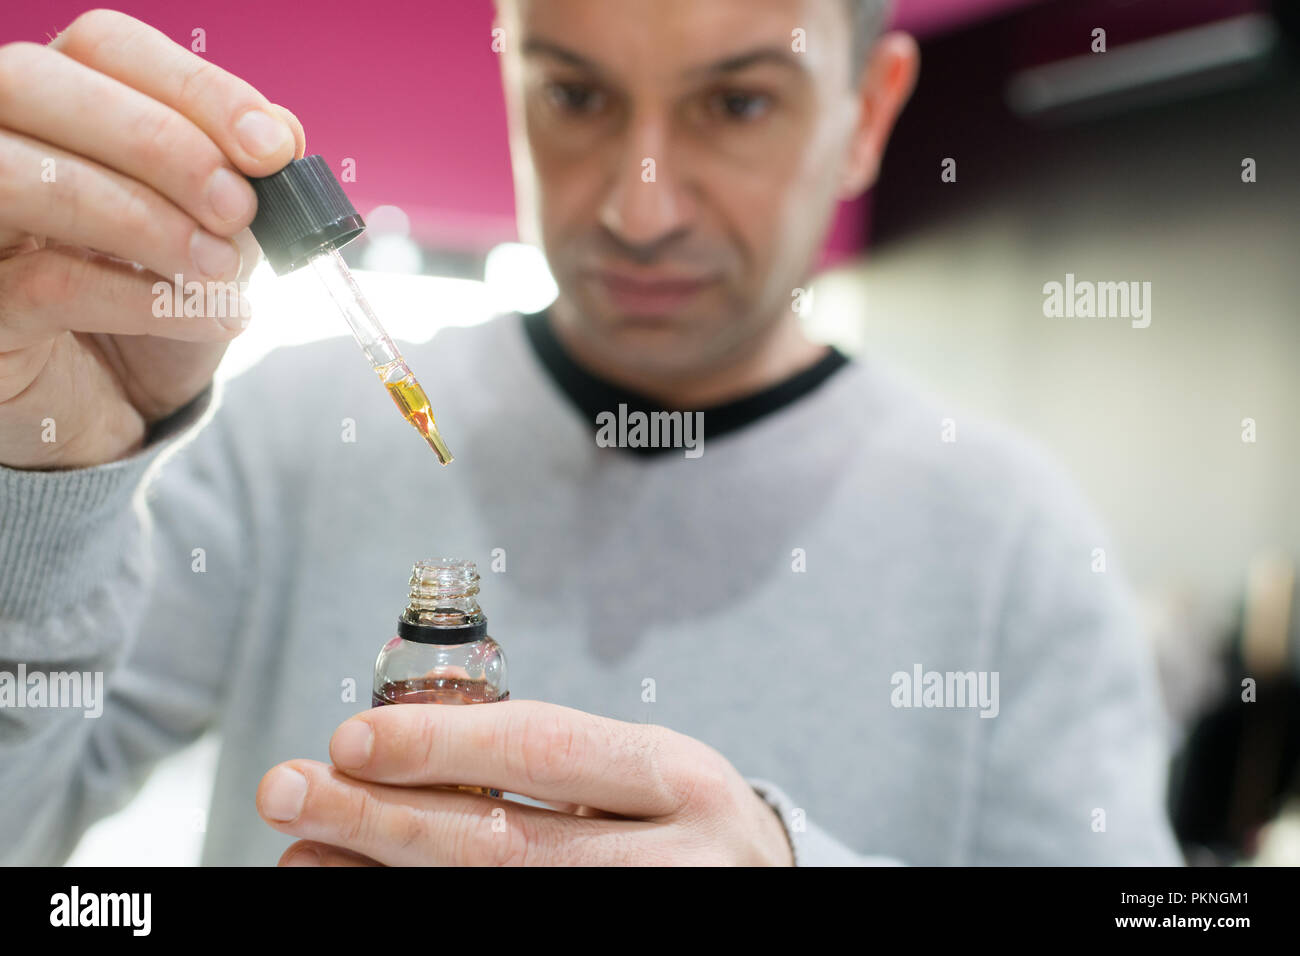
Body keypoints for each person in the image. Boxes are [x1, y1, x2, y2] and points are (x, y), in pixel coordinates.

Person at [0, 1, 1182, 866]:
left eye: (736, 102)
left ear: (867, 114)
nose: (639, 206)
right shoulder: (292, 433)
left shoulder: (1012, 534)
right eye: (575, 95)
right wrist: (42, 469)